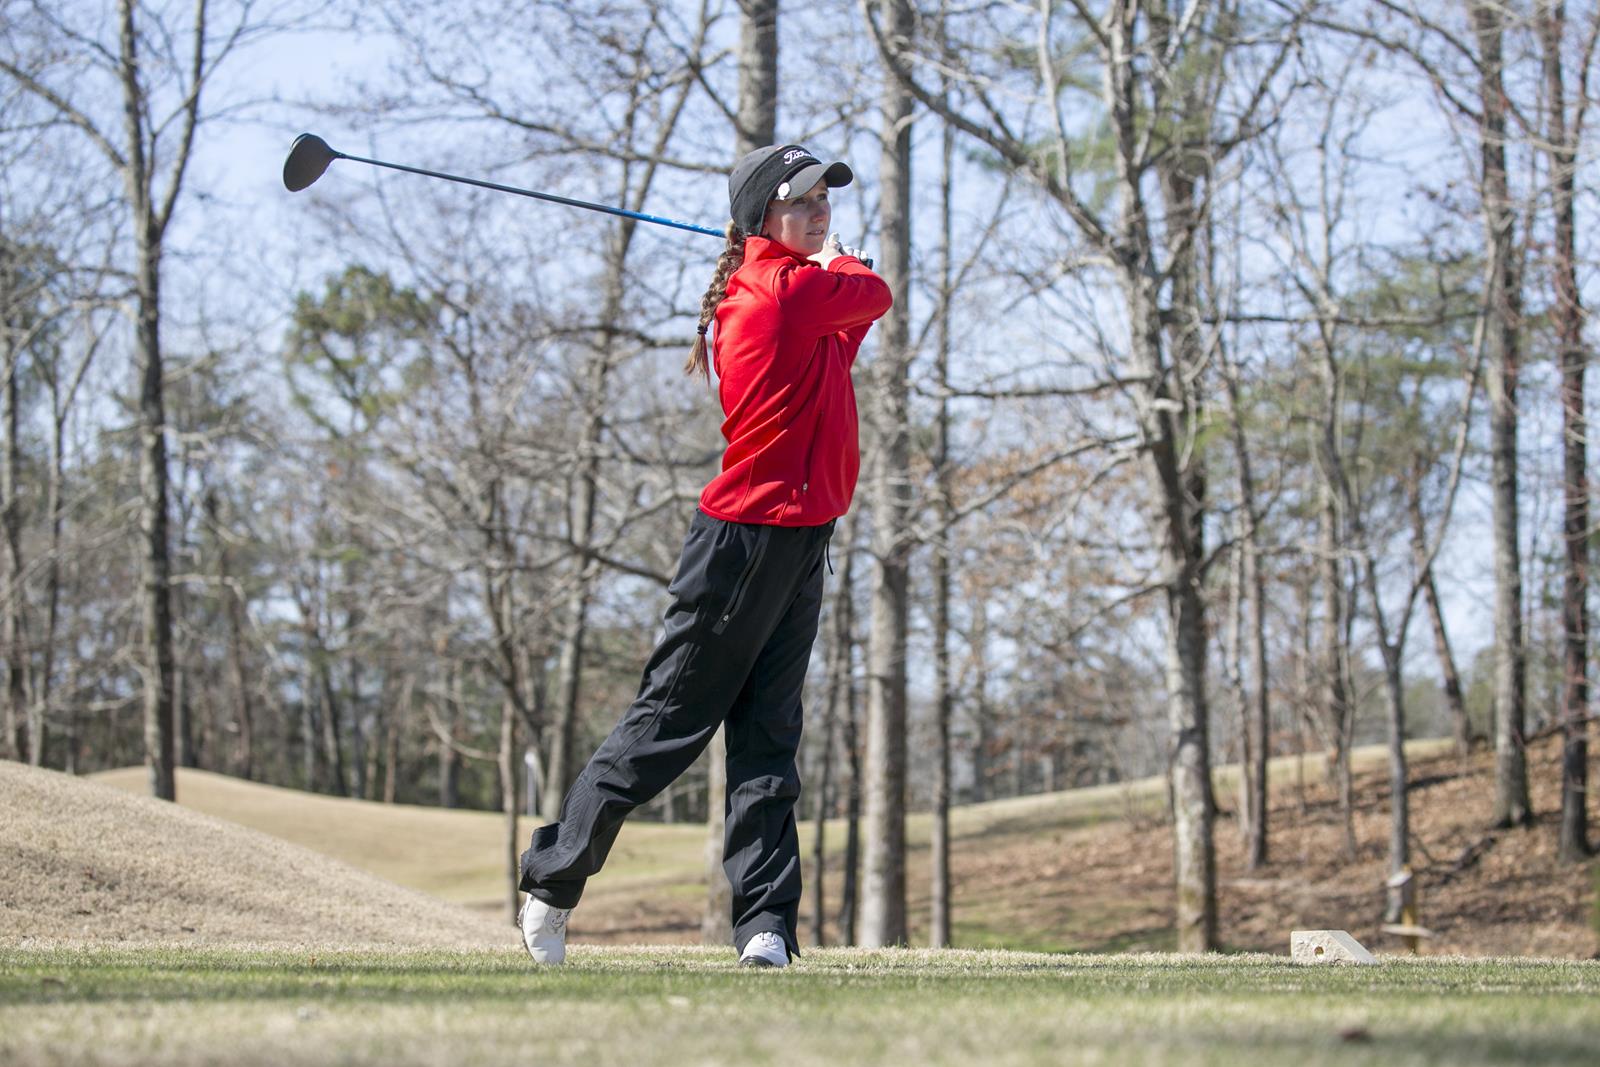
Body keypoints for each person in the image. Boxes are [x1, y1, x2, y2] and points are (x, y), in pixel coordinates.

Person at [515, 143, 891, 968]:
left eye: (827, 198)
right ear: (763, 218)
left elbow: (850, 327)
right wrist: (845, 267)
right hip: (741, 546)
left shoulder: (796, 291)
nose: (821, 211)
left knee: (768, 737)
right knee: (668, 727)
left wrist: (835, 267)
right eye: (803, 201)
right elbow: (875, 294)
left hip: (800, 541)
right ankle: (551, 879)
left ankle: (764, 925)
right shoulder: (773, 297)